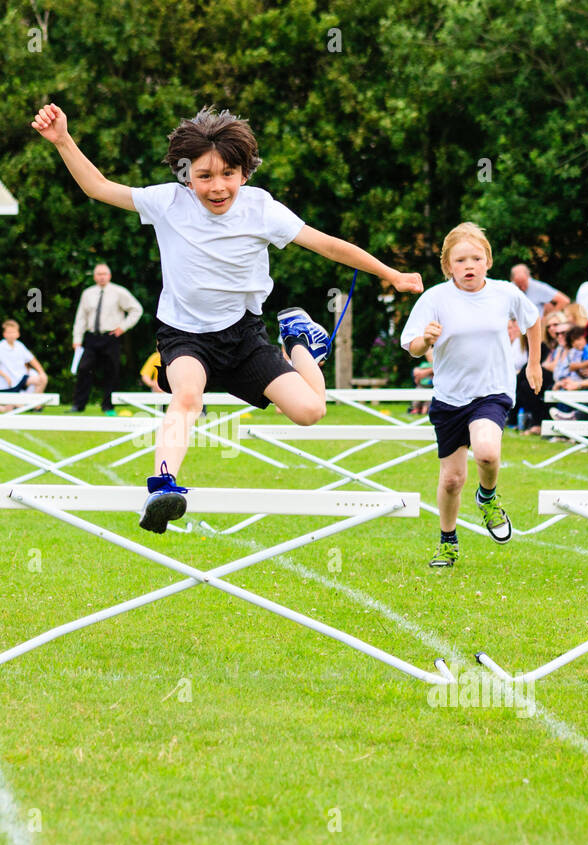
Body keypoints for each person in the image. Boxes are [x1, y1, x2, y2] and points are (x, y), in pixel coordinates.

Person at [31, 102, 424, 533]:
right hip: (184, 334)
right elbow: (99, 188)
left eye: (228, 175)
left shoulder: (262, 210)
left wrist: (391, 273)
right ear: (186, 176)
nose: (217, 187)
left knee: (312, 410)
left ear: (245, 173)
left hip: (243, 335)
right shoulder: (167, 202)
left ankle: (297, 340)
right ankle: (163, 485)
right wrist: (63, 140)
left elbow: (328, 246)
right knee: (187, 396)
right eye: (204, 176)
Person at [400, 222, 541, 567]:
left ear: (488, 262)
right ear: (448, 266)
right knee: (451, 480)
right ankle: (448, 542)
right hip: (449, 397)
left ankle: (487, 497)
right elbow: (412, 347)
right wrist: (427, 340)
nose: (469, 266)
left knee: (488, 453)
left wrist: (534, 364)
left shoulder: (505, 293)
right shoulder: (434, 298)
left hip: (492, 391)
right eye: (460, 260)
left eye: (476, 258)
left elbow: (533, 320)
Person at [70, 263, 143, 414]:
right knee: (83, 369)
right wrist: (77, 338)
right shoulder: (87, 293)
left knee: (112, 371)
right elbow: (81, 318)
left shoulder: (119, 292)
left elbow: (136, 309)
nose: (102, 277)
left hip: (110, 337)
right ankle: (78, 405)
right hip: (91, 337)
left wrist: (122, 327)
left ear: (109, 276)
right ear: (94, 276)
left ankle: (108, 406)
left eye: (104, 274)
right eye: (99, 274)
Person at [0, 319, 49, 412]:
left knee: (42, 379)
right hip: (6, 385)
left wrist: (42, 372)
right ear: (4, 334)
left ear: (18, 334)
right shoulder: (0, 347)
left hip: (20, 380)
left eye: (13, 332)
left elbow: (32, 359)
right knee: (10, 410)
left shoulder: (20, 346)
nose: (11, 334)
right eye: (9, 332)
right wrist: (5, 376)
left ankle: (35, 406)